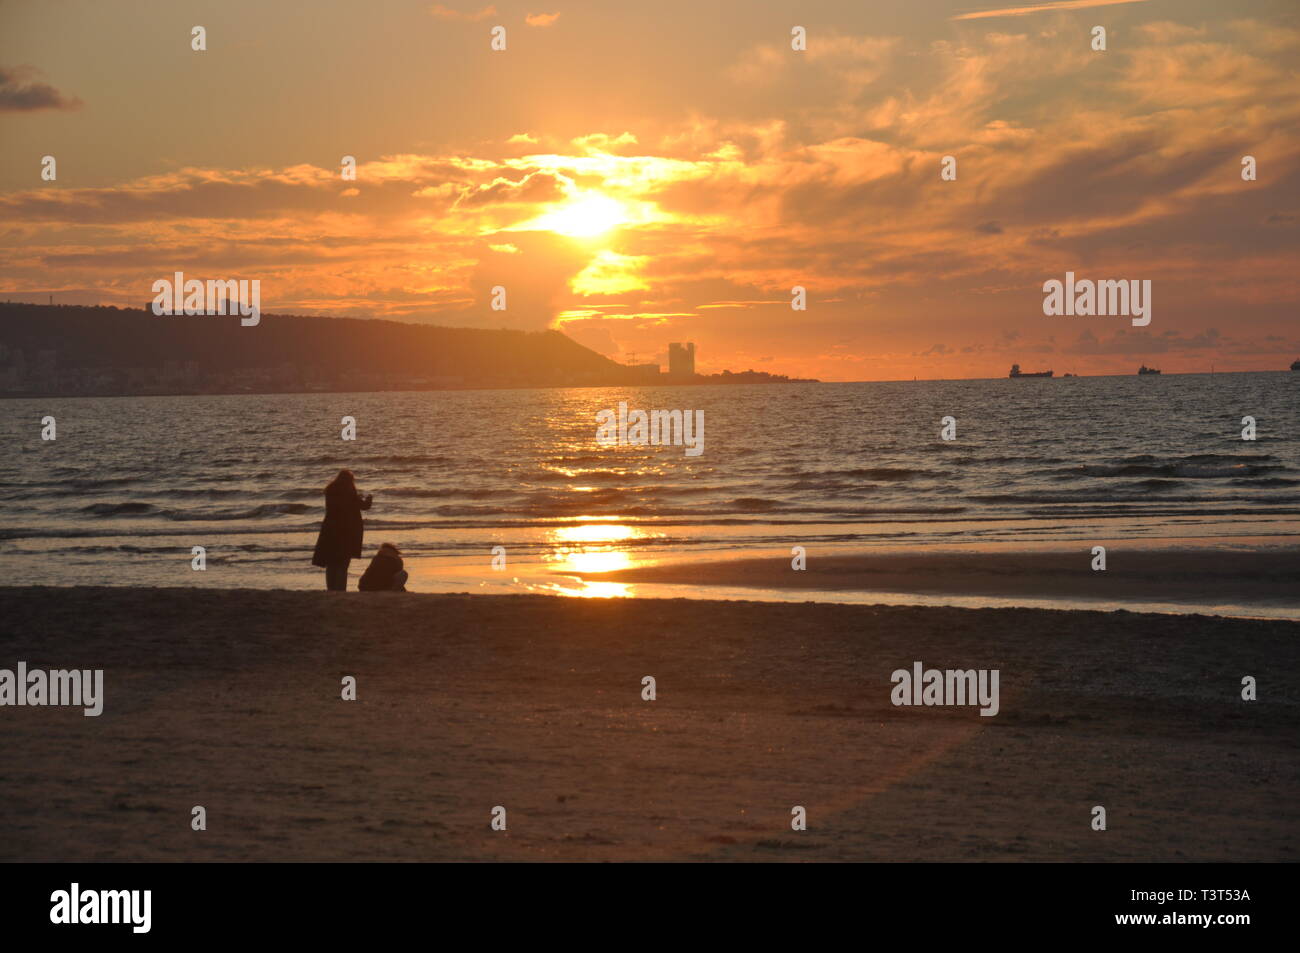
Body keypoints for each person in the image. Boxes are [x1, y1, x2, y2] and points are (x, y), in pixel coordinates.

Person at [311, 469, 372, 590]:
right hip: (346, 532)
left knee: (331, 563)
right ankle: (341, 589)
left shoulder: (330, 490)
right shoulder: (349, 492)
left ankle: (331, 588)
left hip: (330, 531)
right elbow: (364, 506)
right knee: (343, 563)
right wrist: (369, 498)